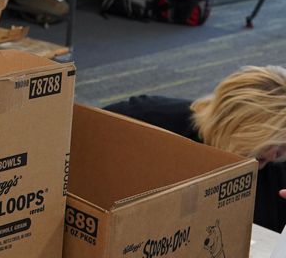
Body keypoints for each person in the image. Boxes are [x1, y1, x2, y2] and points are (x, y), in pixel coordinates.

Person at [105, 65, 286, 231]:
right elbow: (85, 136)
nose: (277, 154)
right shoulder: (148, 120)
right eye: (274, 142)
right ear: (236, 125)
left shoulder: (276, 169)